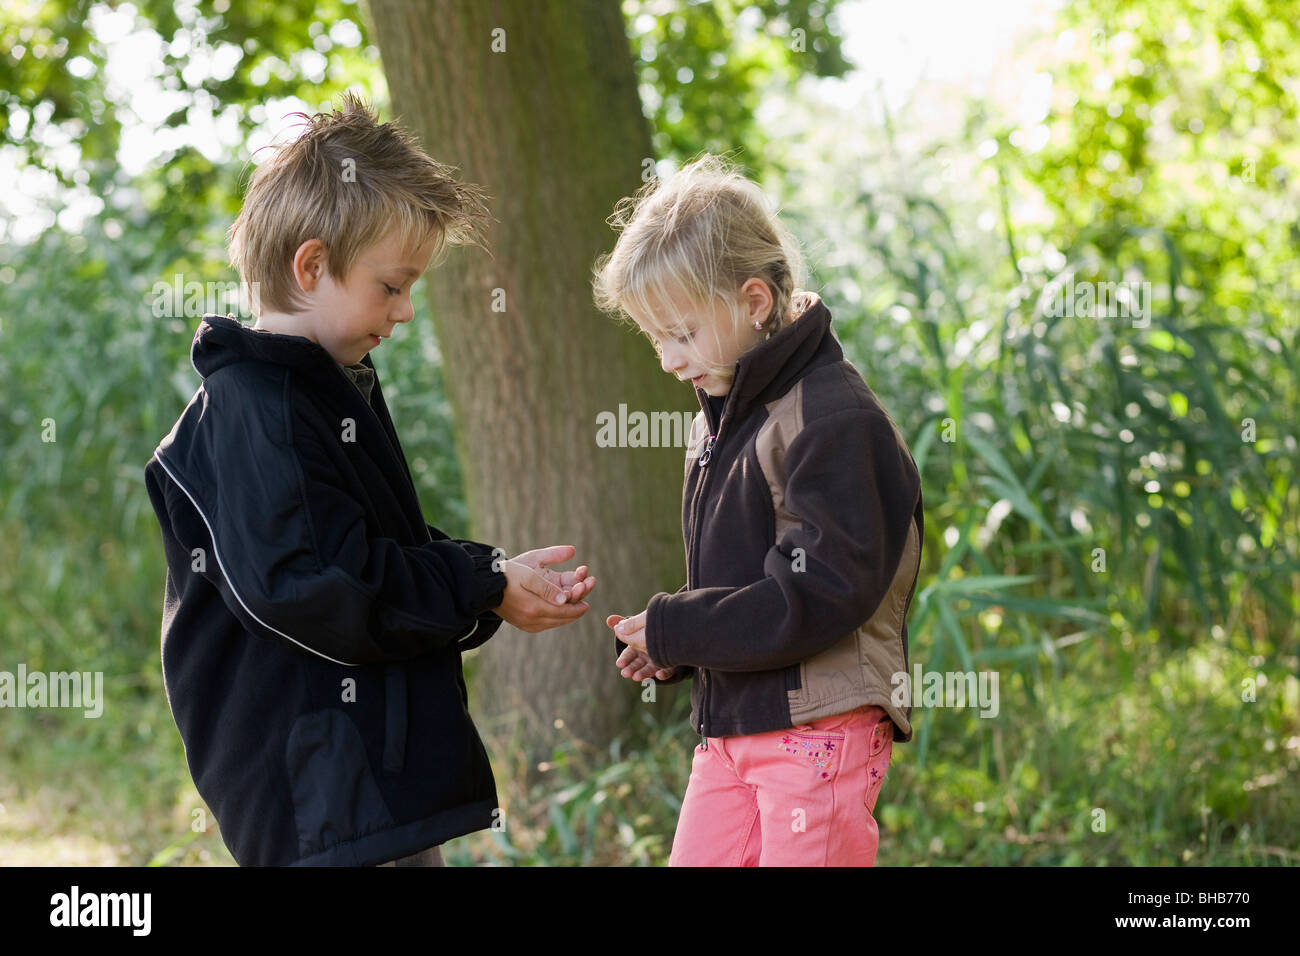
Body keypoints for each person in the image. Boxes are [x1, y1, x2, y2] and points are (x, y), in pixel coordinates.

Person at [143, 93, 595, 867]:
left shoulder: (325, 392)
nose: (408, 311)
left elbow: (375, 553)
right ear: (311, 265)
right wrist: (478, 580)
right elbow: (321, 586)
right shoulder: (256, 408)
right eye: (392, 286)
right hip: (318, 794)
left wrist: (491, 581)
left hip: (360, 786)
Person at [592, 154, 924, 866]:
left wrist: (683, 627)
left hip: (818, 731)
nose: (668, 359)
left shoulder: (833, 418)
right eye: (654, 338)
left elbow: (816, 593)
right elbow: (746, 580)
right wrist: (676, 645)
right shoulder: (722, 417)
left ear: (753, 301)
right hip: (734, 732)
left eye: (681, 333)